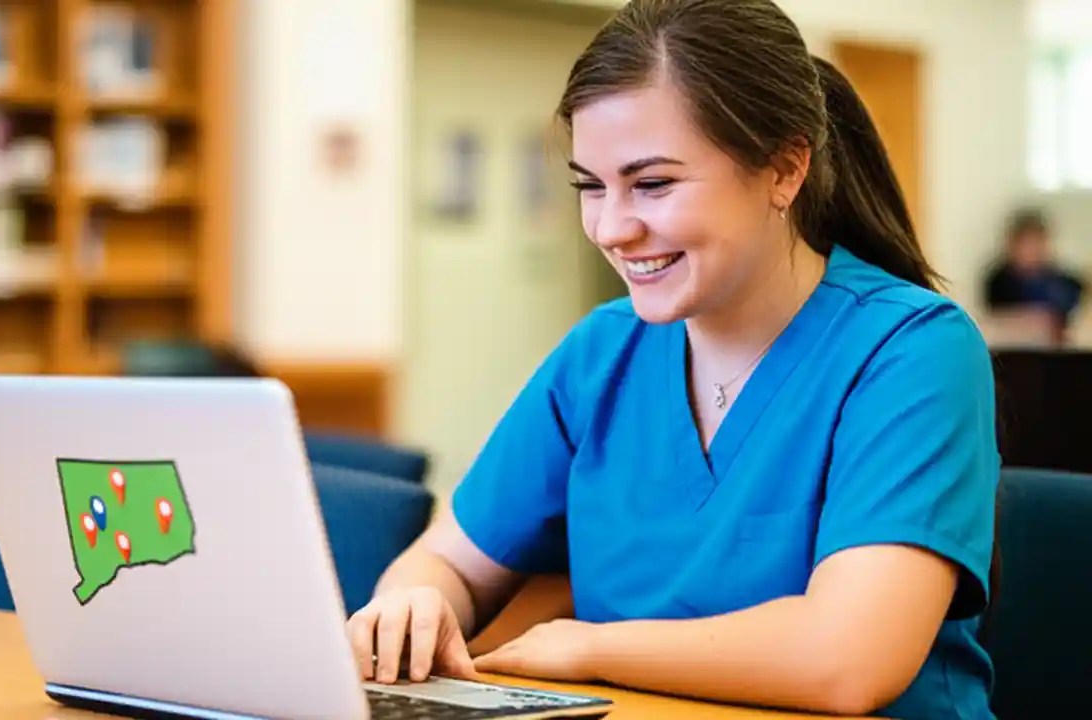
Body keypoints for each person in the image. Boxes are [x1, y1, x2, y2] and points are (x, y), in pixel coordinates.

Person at [347, 1, 998, 718]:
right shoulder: (602, 352)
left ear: (785, 169)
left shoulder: (913, 351)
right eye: (590, 186)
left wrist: (591, 648)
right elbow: (451, 564)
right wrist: (415, 600)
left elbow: (848, 660)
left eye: (651, 184)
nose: (612, 228)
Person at [983, 209, 1084, 346]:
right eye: (1026, 244)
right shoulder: (998, 282)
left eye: (1036, 243)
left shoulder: (1064, 282)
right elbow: (995, 320)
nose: (1031, 251)